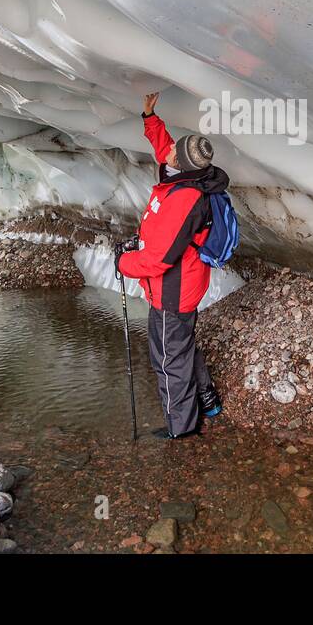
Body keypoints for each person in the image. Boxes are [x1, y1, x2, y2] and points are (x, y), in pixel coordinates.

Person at [115, 92, 227, 439]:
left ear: (185, 164)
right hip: (179, 288)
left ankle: (183, 428)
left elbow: (158, 259)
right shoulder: (186, 176)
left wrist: (123, 261)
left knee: (168, 359)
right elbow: (163, 147)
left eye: (177, 151)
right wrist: (150, 117)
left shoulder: (186, 200)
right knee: (181, 344)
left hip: (172, 292)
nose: (170, 152)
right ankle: (208, 400)